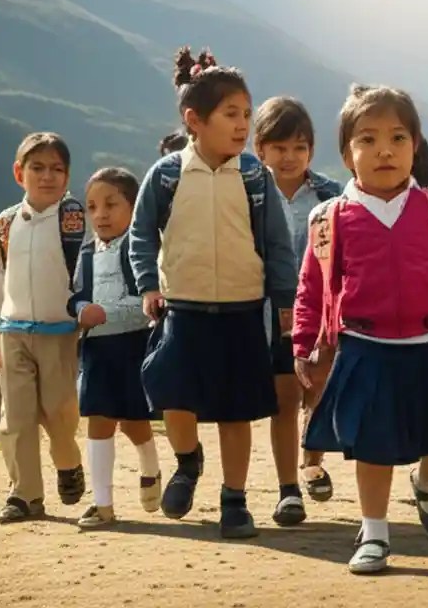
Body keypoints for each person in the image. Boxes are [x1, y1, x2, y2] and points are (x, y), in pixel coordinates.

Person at [293, 84, 428, 574]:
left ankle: (426, 482)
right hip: (365, 346)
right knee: (374, 442)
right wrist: (305, 343)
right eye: (367, 139)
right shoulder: (332, 219)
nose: (384, 149)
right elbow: (310, 287)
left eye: (398, 137)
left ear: (415, 147)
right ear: (347, 155)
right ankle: (375, 534)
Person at [129, 47, 296, 539]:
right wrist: (148, 287)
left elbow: (278, 246)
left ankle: (235, 501)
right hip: (183, 309)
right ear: (193, 120)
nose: (244, 124)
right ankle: (186, 462)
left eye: (247, 113)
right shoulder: (166, 175)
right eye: (231, 114)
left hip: (244, 312)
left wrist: (284, 303)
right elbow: (141, 235)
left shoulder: (254, 177)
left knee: (235, 411)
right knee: (172, 394)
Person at [0, 132, 87, 523]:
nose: (47, 176)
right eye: (37, 168)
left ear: (67, 176)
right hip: (13, 331)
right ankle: (24, 494)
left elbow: (84, 271)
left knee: (60, 411)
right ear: (19, 173)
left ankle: (68, 462)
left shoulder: (71, 217)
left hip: (59, 332)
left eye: (57, 169)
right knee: (16, 416)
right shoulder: (6, 223)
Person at [251, 96, 343, 524]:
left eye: (299, 147)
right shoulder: (248, 193)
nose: (289, 157)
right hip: (269, 313)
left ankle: (312, 460)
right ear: (260, 149)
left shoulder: (330, 195)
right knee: (284, 400)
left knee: (317, 393)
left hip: (322, 314)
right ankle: (289, 488)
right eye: (279, 147)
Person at [67, 167, 163, 529]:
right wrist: (79, 310)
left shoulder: (140, 251)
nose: (100, 214)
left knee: (133, 422)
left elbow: (148, 302)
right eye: (92, 207)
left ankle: (150, 468)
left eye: (111, 204)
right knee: (98, 419)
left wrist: (102, 312)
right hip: (96, 350)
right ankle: (102, 503)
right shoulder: (88, 252)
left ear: (134, 206)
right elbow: (77, 294)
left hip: (133, 346)